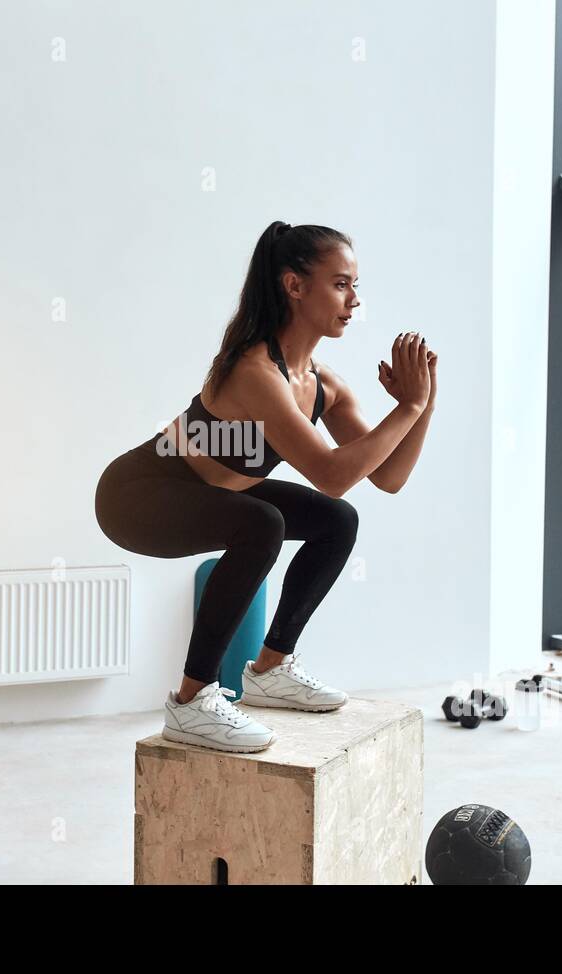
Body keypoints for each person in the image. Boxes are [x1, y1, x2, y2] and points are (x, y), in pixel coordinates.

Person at [94, 221, 437, 752]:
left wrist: (423, 403)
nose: (354, 301)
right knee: (264, 523)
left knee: (335, 521)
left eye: (355, 286)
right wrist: (408, 407)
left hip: (214, 495)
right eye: (341, 284)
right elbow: (332, 473)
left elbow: (388, 477)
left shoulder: (324, 386)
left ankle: (271, 668)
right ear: (295, 286)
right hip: (135, 496)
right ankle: (191, 701)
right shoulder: (256, 370)